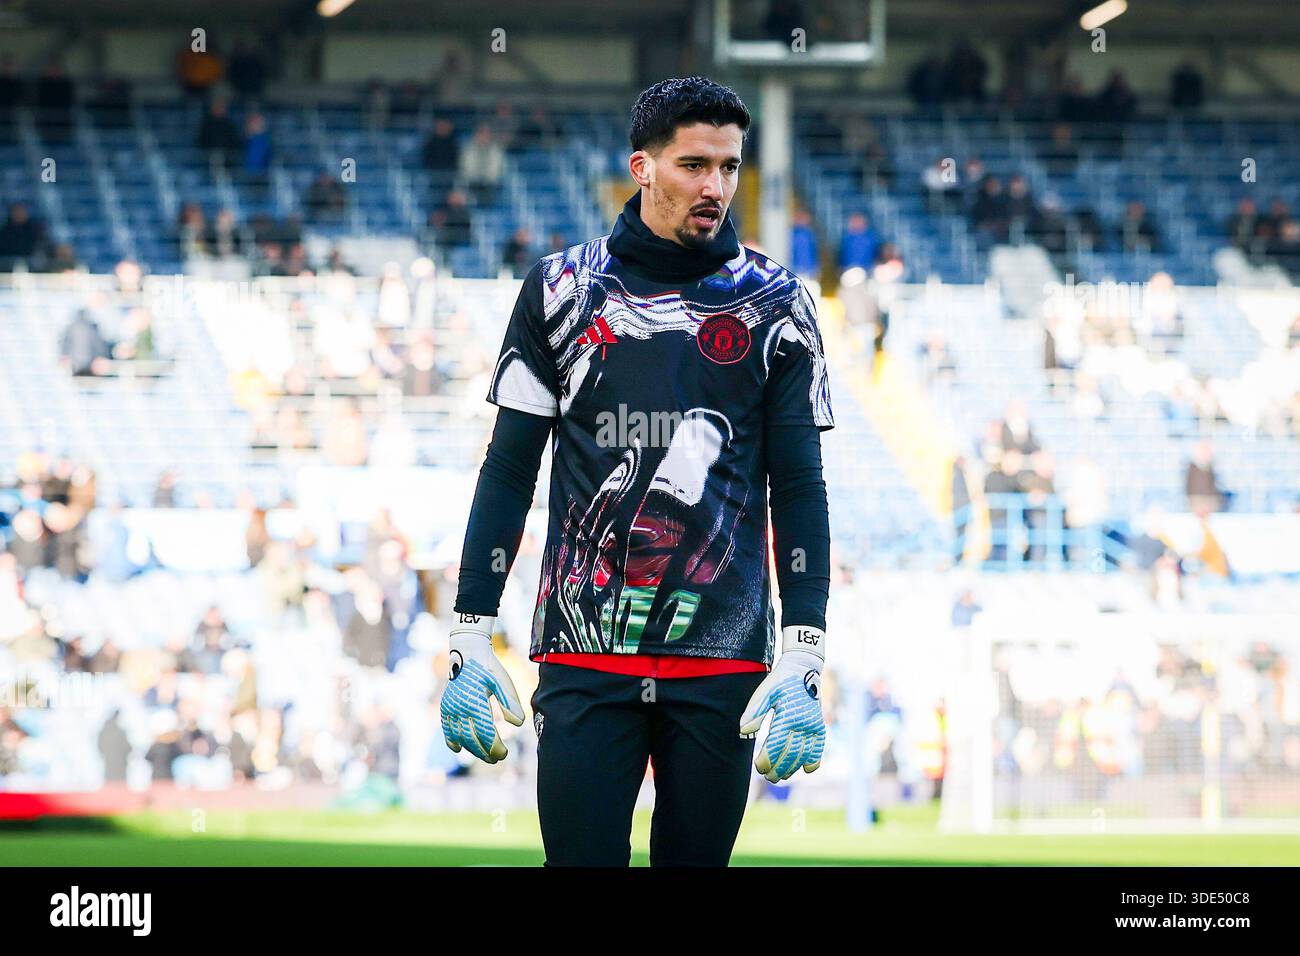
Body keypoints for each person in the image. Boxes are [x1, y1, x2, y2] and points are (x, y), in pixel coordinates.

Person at [442, 76, 833, 867]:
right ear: (642, 167)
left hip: (723, 656)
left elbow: (798, 485)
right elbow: (509, 468)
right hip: (584, 649)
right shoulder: (561, 289)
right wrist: (471, 631)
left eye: (729, 166)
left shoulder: (778, 302)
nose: (716, 185)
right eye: (694, 164)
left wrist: (805, 649)